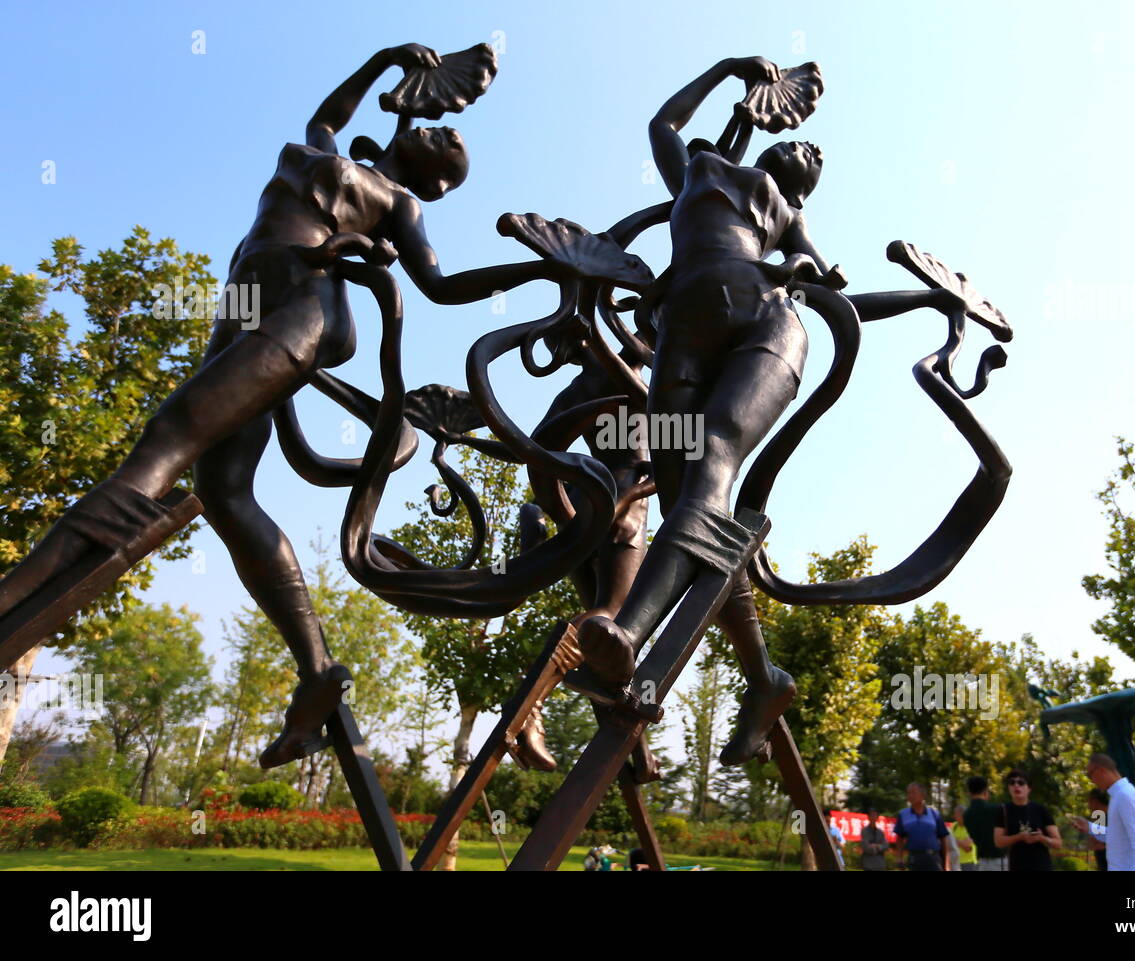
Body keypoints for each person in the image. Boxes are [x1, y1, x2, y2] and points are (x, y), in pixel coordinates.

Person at [0, 43, 565, 769]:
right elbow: (325, 114)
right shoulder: (328, 149)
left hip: (302, 313)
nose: (447, 132)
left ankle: (17, 593)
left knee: (166, 440)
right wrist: (383, 59)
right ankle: (318, 674)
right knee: (224, 492)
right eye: (446, 128)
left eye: (453, 148)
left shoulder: (399, 203)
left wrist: (546, 267)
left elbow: (441, 284)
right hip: (242, 311)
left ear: (438, 185)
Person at [574, 55, 964, 765]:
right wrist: (726, 70)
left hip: (768, 325)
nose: (808, 147)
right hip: (682, 339)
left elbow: (843, 306)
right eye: (804, 140)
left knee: (713, 467)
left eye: (816, 156)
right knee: (693, 508)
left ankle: (626, 637)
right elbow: (661, 122)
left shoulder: (788, 223)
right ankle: (764, 677)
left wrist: (932, 298)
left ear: (806, 190)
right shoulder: (700, 170)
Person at [1085, 753, 1135, 871]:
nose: (1092, 781)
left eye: (1090, 776)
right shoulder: (1117, 797)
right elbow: (1116, 836)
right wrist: (1089, 827)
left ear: (1101, 771)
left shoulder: (1125, 795)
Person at [993, 769, 1060, 871]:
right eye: (1012, 783)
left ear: (1029, 788)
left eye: (1021, 783)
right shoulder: (1003, 810)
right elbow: (998, 841)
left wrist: (1041, 838)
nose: (1016, 785)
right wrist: (1019, 837)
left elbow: (1058, 843)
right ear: (1009, 788)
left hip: (1041, 865)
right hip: (1017, 865)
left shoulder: (1040, 810)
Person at [895, 783, 949, 871]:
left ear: (923, 795)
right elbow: (899, 838)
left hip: (933, 859)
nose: (910, 796)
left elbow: (943, 839)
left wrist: (945, 863)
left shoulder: (935, 814)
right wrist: (899, 858)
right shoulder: (903, 815)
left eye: (913, 792)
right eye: (908, 793)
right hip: (914, 860)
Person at [963, 776, 1002, 871]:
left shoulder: (967, 815)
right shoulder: (997, 809)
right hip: (1000, 859)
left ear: (969, 792)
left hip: (982, 861)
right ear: (985, 791)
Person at [1070, 788, 1109, 871]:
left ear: (1094, 801)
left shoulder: (1108, 816)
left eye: (1089, 801)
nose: (1088, 805)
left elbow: (1097, 844)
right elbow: (1093, 844)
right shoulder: (1100, 816)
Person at [952, 805, 978, 871]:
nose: (954, 816)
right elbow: (947, 842)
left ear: (962, 815)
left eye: (956, 814)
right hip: (956, 863)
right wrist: (961, 842)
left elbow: (967, 848)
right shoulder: (954, 826)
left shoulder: (972, 826)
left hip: (969, 863)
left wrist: (953, 840)